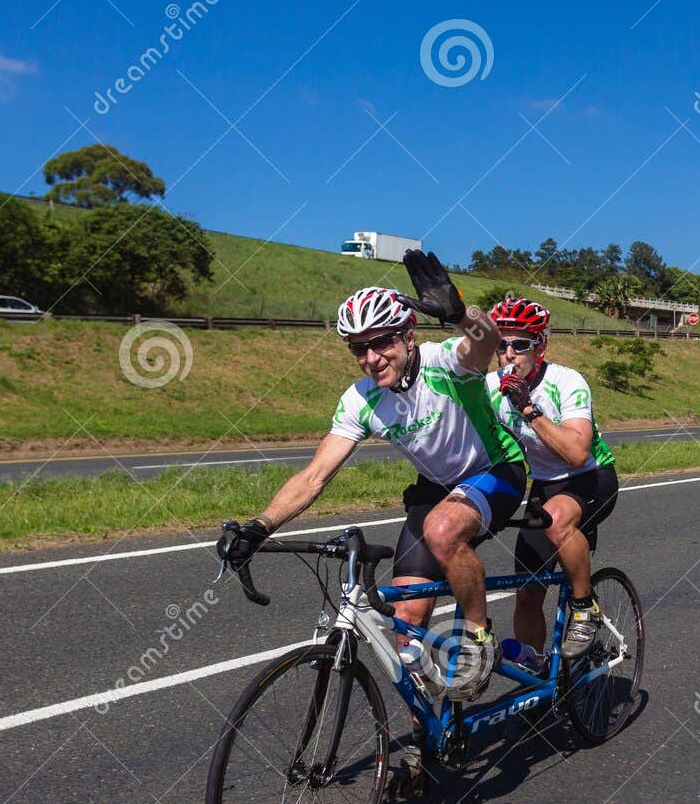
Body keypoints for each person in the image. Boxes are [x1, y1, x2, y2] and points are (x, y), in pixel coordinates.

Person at [217, 250, 524, 703]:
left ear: (409, 334)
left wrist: (461, 313)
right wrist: (260, 527)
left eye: (382, 343)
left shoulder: (445, 363)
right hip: (436, 491)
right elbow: (314, 475)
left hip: (495, 472)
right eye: (358, 348)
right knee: (406, 625)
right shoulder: (361, 399)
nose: (371, 358)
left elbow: (486, 343)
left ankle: (479, 637)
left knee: (442, 531)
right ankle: (431, 738)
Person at [484, 297, 619, 662]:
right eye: (501, 344)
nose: (509, 354)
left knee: (557, 522)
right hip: (544, 485)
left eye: (520, 345)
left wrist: (529, 409)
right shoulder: (490, 388)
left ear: (540, 346)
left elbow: (576, 452)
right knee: (527, 590)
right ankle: (535, 669)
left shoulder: (566, 381)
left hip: (590, 477)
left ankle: (584, 605)